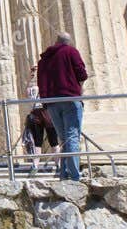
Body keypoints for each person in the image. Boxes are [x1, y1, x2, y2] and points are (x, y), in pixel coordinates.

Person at [36, 32, 88, 181]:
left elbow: (40, 82)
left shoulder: (44, 59)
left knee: (64, 139)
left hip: (52, 103)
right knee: (72, 136)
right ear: (68, 42)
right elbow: (82, 74)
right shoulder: (71, 51)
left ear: (56, 41)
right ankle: (74, 176)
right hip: (70, 98)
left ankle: (64, 174)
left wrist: (45, 102)